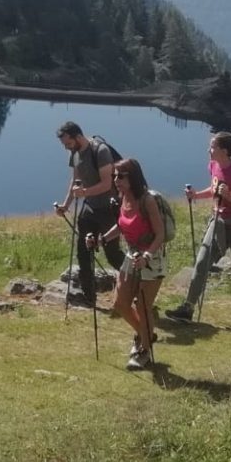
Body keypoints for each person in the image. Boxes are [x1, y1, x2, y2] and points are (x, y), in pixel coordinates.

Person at [164, 132, 231, 324]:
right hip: (218, 222)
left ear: (223, 151)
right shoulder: (213, 165)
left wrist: (230, 196)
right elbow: (214, 189)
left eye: (212, 147)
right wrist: (195, 195)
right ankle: (188, 308)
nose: (209, 150)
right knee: (202, 262)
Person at [85, 157, 167, 370]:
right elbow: (122, 226)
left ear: (134, 177)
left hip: (151, 259)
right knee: (120, 303)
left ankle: (144, 350)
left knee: (142, 306)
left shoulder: (147, 200)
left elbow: (160, 234)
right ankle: (145, 335)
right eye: (114, 176)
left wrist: (147, 256)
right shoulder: (123, 198)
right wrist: (101, 240)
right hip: (132, 256)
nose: (116, 180)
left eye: (121, 176)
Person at [52, 121, 124, 307]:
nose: (66, 147)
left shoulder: (100, 151)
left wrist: (84, 193)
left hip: (108, 209)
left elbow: (107, 184)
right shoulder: (75, 153)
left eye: (68, 143)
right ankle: (89, 296)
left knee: (112, 254)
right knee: (83, 252)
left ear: (78, 136)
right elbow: (75, 181)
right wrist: (66, 205)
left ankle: (137, 283)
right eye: (64, 145)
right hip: (90, 208)